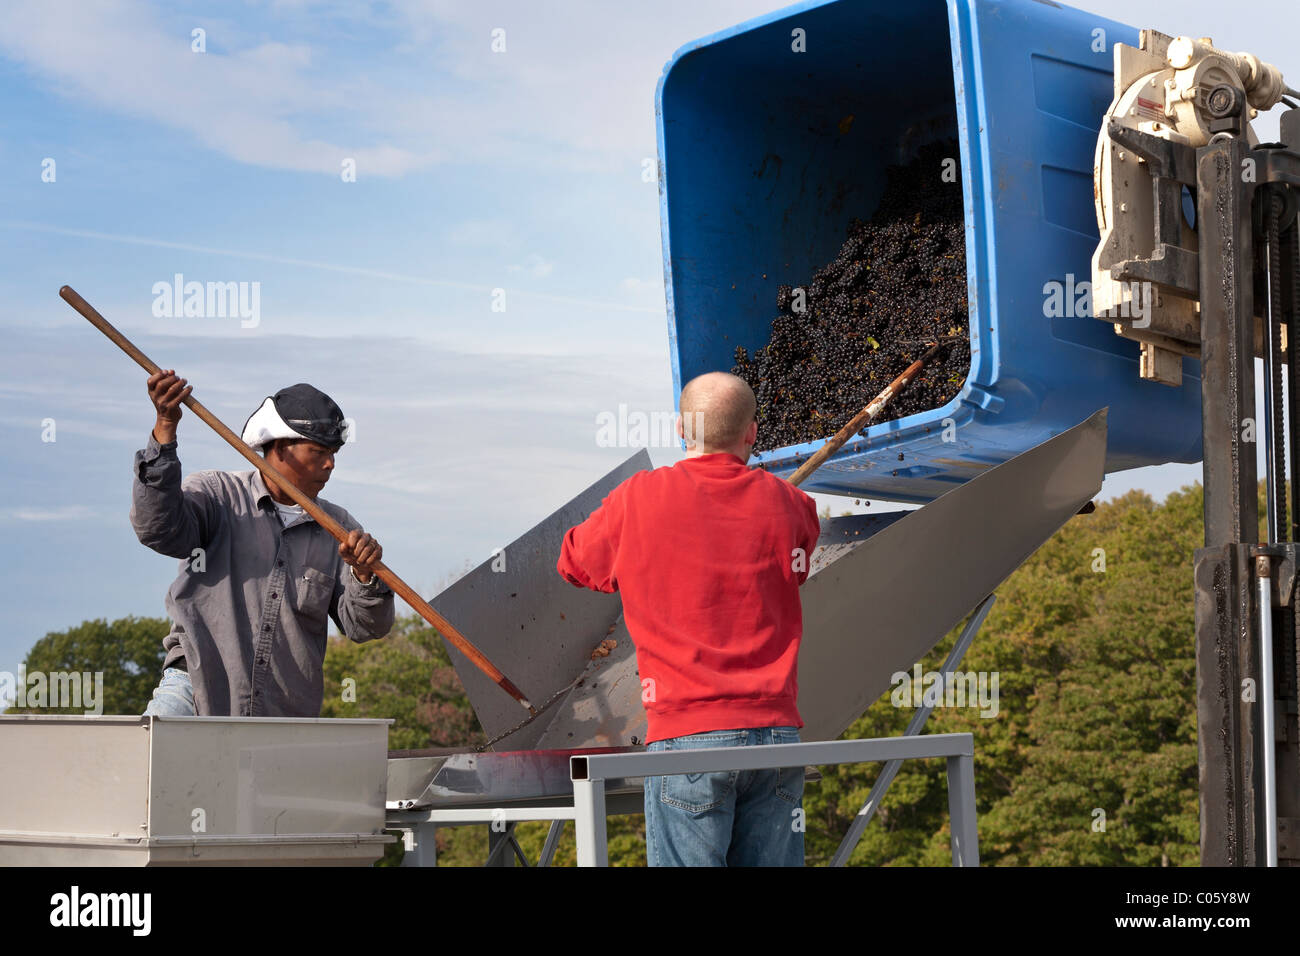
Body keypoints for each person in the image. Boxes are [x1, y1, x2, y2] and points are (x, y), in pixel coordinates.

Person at [556, 371, 821, 866]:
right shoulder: (792, 504)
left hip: (689, 741)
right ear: (752, 433)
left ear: (681, 428)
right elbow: (798, 561)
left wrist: (636, 550)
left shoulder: (636, 499)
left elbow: (574, 562)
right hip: (776, 738)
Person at [132, 369, 394, 717]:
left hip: (282, 711)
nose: (330, 463)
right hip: (193, 692)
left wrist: (365, 575)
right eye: (318, 451)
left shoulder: (341, 531)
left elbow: (365, 627)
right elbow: (156, 529)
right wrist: (166, 426)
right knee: (152, 763)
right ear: (282, 448)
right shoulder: (216, 495)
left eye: (334, 453)